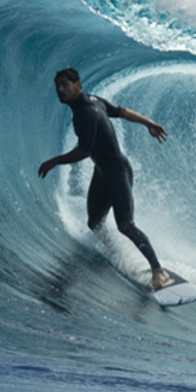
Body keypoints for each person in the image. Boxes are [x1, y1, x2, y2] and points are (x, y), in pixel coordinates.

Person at [38, 67, 171, 290]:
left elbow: (84, 151)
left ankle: (159, 270)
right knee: (94, 223)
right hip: (103, 174)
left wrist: (54, 161)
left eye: (65, 85)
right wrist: (148, 123)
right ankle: (116, 253)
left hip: (117, 172)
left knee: (126, 225)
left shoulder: (85, 114)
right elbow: (122, 111)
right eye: (57, 86)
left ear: (77, 85)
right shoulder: (93, 101)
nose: (60, 90)